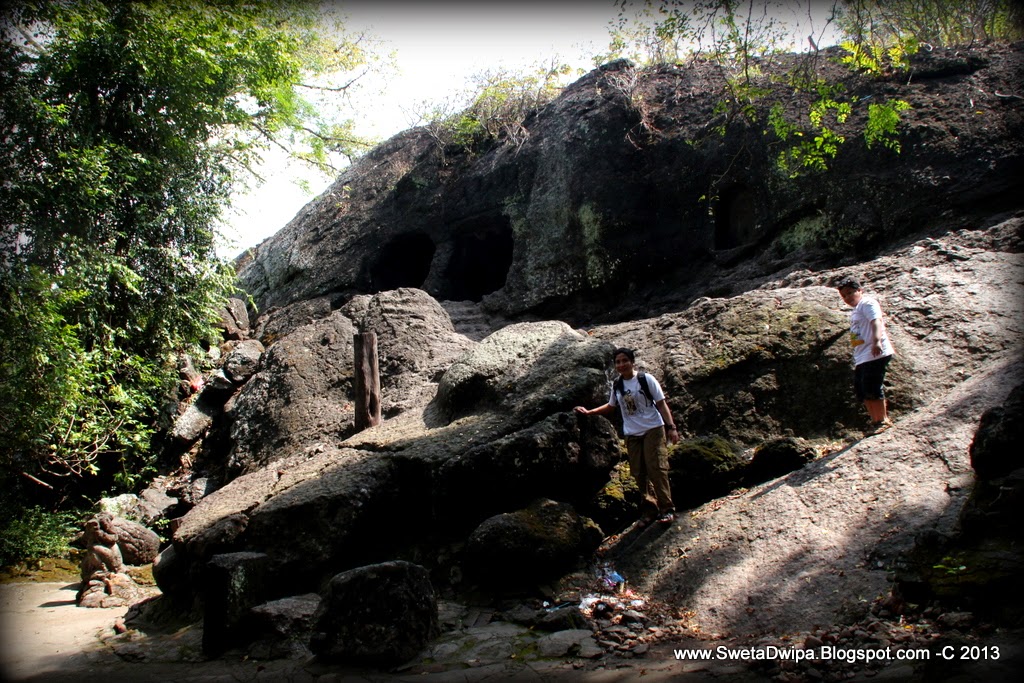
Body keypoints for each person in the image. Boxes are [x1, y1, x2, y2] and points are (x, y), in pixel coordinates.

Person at [575, 347, 680, 527]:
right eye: (618, 362)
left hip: (653, 429)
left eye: (625, 360)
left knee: (656, 468)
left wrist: (671, 427)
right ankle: (650, 510)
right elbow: (610, 406)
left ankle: (667, 508)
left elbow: (661, 404)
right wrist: (590, 412)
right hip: (632, 433)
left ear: (632, 362)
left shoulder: (646, 379)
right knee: (638, 473)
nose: (621, 364)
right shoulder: (617, 384)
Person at [836, 276, 895, 431]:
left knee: (873, 386)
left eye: (850, 293)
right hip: (862, 356)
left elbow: (876, 321)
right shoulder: (856, 310)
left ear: (859, 290)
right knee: (862, 389)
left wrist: (877, 341)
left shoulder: (867, 303)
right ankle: (875, 421)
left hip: (875, 352)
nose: (848, 297)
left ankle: (882, 420)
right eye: (844, 295)